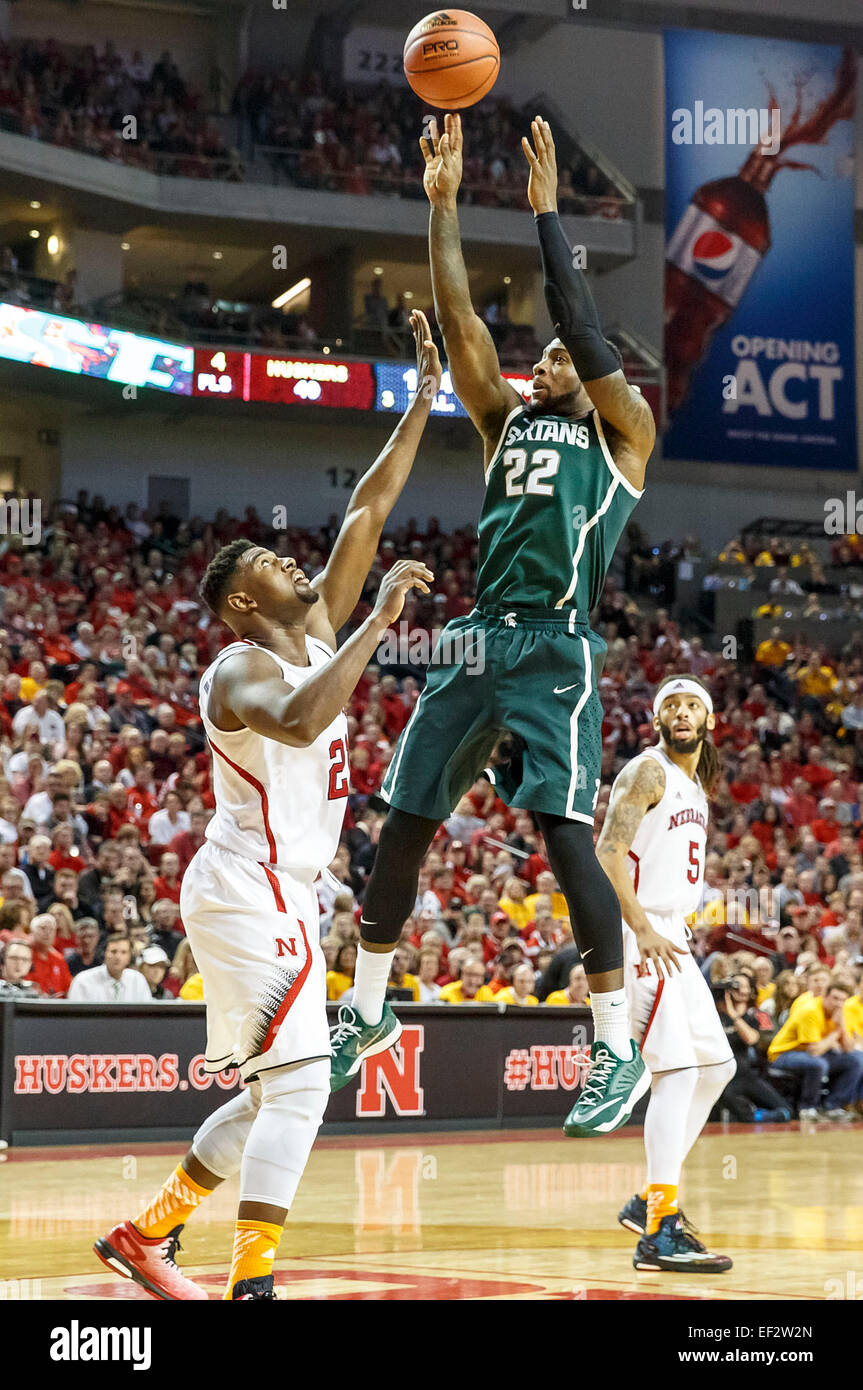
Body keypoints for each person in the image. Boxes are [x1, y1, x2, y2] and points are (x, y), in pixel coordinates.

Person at [94, 310, 440, 1303]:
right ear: (242, 604)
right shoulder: (239, 666)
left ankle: (146, 1234)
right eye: (264, 566)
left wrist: (418, 399)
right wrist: (376, 625)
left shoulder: (312, 623)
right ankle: (253, 1283)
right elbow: (293, 722)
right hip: (246, 887)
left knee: (267, 1093)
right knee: (298, 1084)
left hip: (287, 894)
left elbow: (368, 508)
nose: (289, 563)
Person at [330, 114, 655, 1139]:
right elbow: (460, 315)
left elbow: (576, 312)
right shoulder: (503, 422)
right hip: (476, 636)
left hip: (555, 644)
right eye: (545, 357)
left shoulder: (623, 434)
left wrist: (548, 212)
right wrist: (440, 206)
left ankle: (612, 1046)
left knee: (562, 832)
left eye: (562, 356)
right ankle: (367, 1002)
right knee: (405, 819)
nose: (545, 360)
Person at [596, 675, 735, 1273]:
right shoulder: (647, 771)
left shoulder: (694, 786)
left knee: (716, 1066)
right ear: (657, 720)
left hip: (670, 933)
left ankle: (647, 1200)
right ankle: (660, 1229)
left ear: (709, 722)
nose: (681, 712)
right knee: (675, 1073)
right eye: (670, 705)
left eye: (692, 705)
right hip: (641, 933)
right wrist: (642, 927)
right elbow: (606, 854)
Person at [767, 978, 863, 1120]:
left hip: (813, 1054)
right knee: (818, 1063)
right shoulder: (811, 1011)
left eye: (842, 1000)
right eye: (835, 998)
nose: (838, 1003)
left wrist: (840, 1025)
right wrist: (836, 1034)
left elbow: (848, 1049)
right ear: (825, 996)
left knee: (857, 1059)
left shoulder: (840, 1014)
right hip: (783, 1055)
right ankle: (807, 1109)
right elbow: (814, 1050)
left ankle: (833, 1106)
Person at [67, 934, 153, 1002]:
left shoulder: (137, 980)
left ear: (129, 957)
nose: (118, 957)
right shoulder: (83, 981)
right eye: (113, 951)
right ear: (104, 954)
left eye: (123, 952)